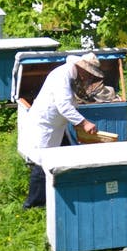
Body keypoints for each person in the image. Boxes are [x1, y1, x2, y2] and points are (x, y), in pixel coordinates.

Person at [22, 54, 104, 208]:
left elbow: (70, 104)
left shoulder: (71, 75)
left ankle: (62, 194)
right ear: (81, 67)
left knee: (65, 157)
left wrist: (76, 124)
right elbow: (64, 106)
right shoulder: (63, 75)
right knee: (42, 161)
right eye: (88, 72)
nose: (88, 76)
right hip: (45, 124)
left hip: (57, 125)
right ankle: (33, 204)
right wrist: (84, 122)